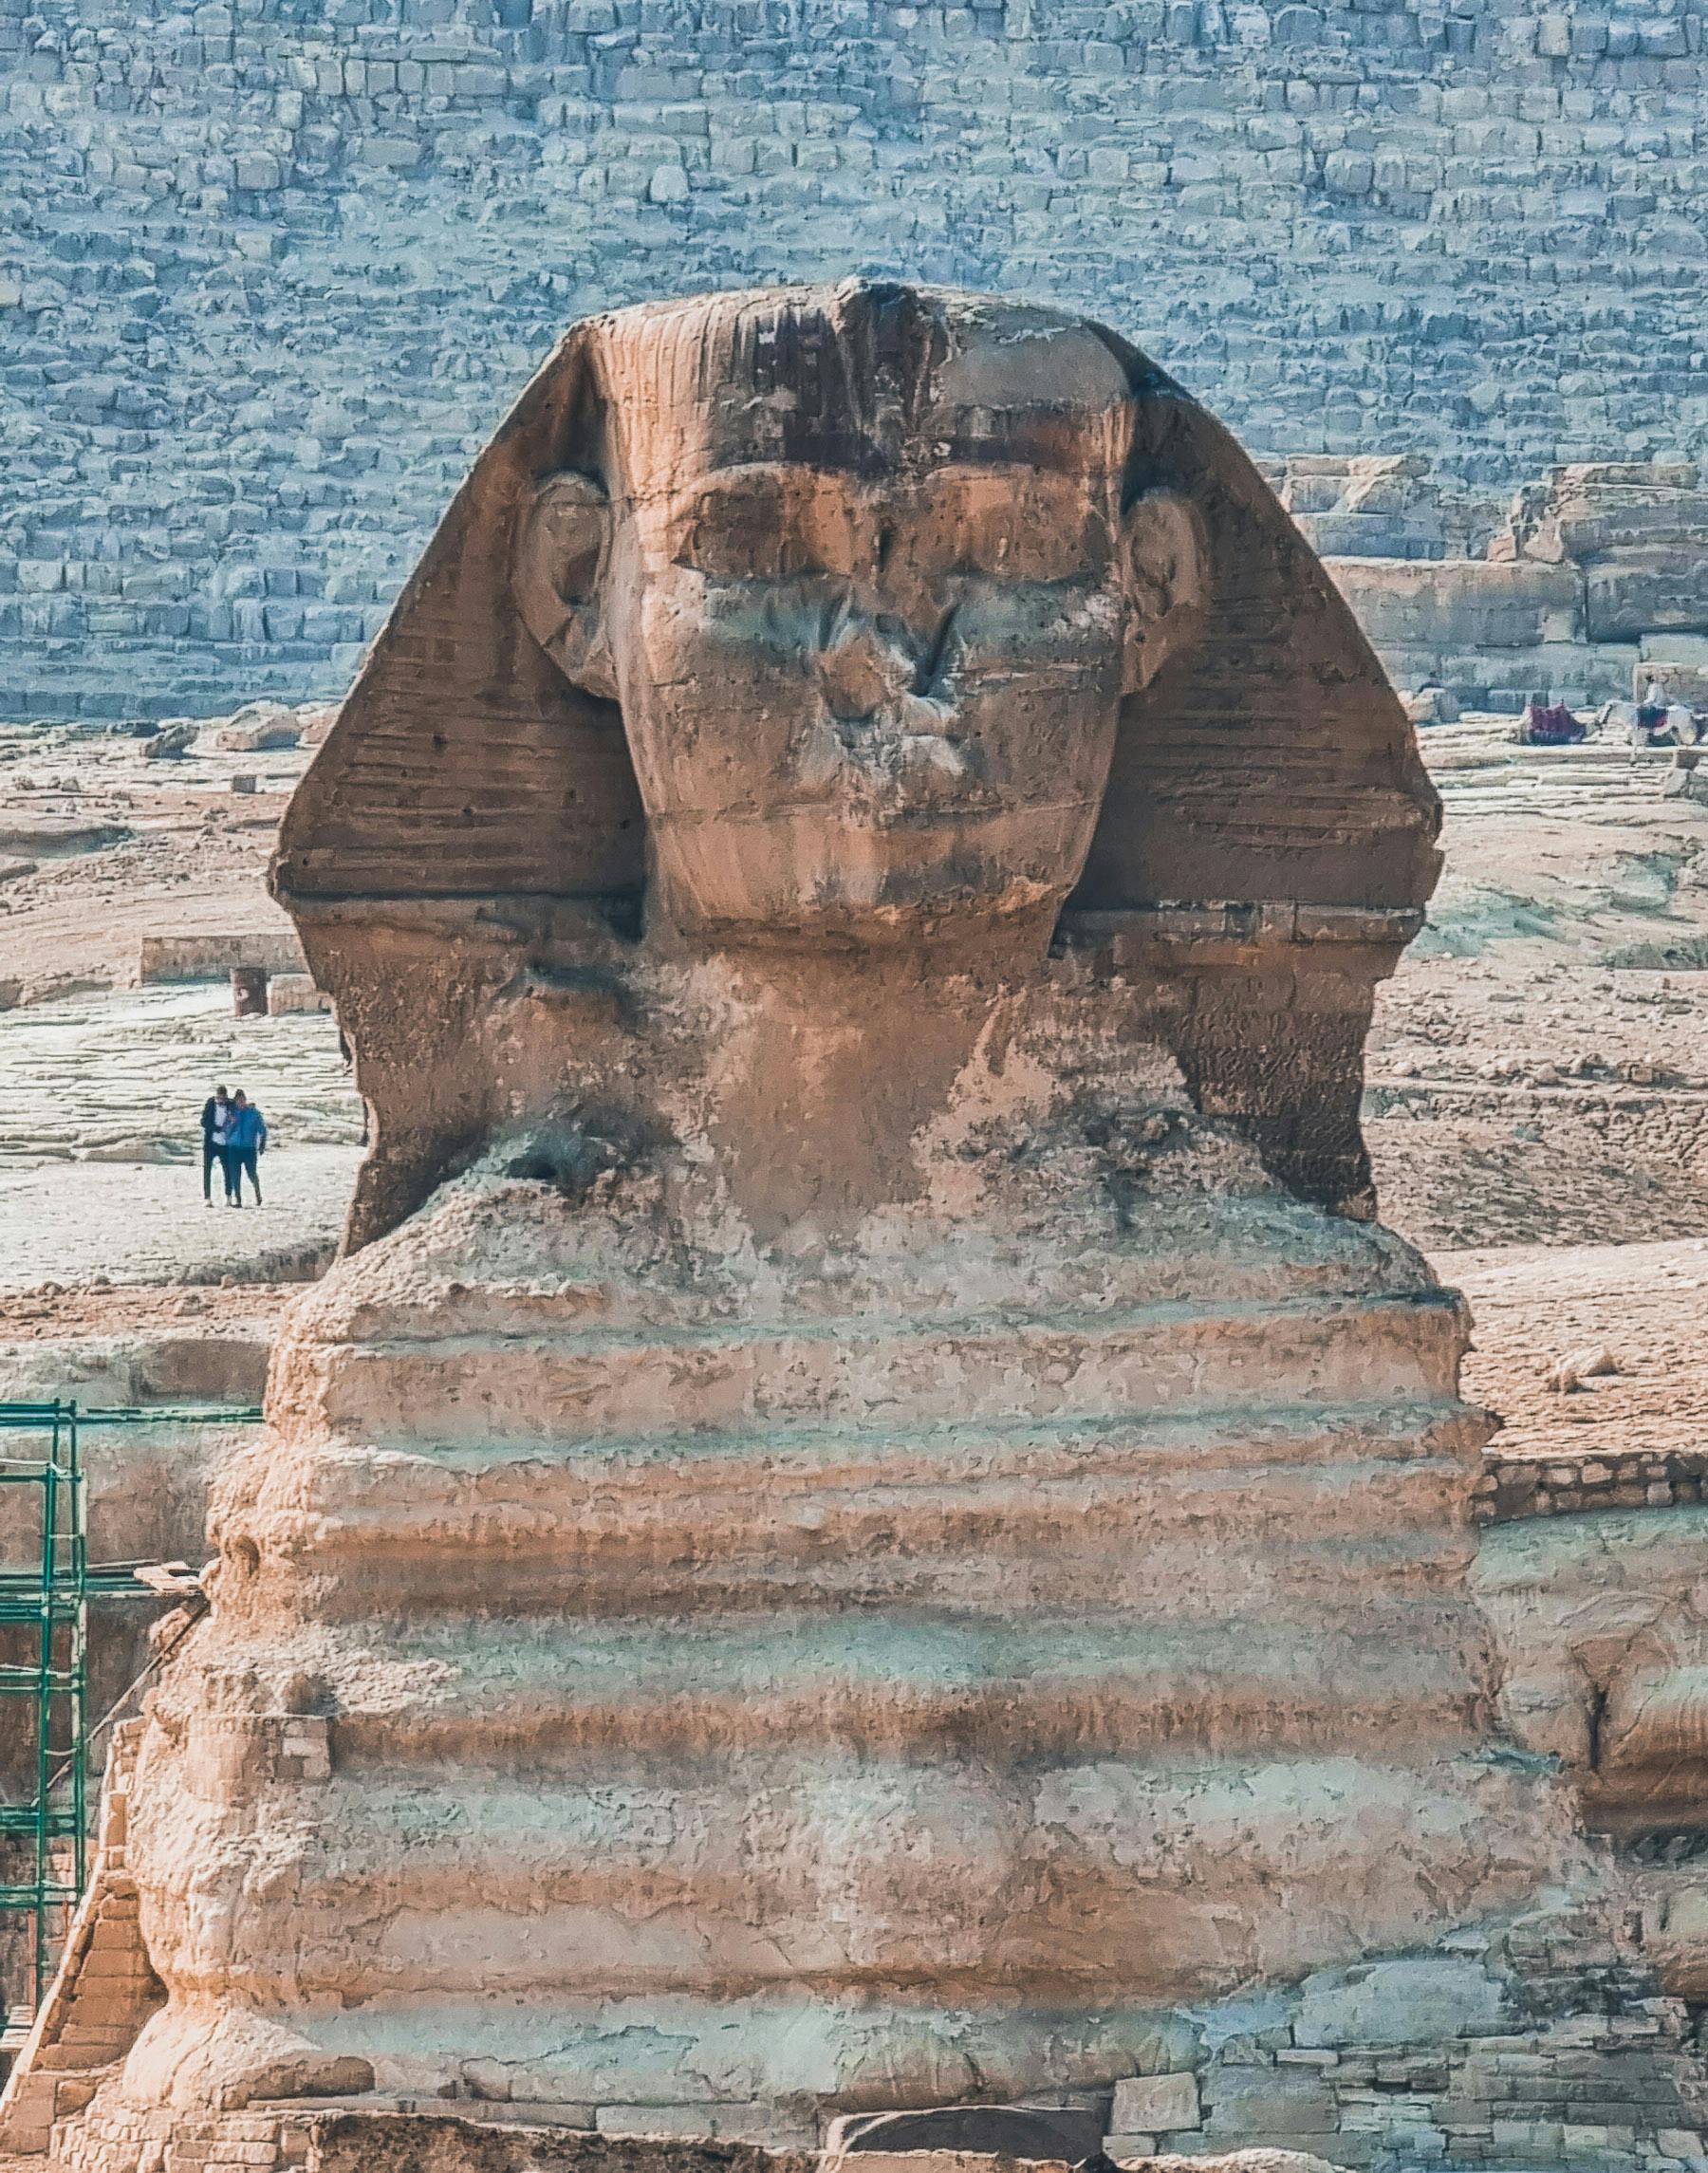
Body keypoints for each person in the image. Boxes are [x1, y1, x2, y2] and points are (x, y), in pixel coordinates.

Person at [223, 1089, 268, 1207]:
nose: (241, 1103)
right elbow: (226, 1131)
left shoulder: (253, 1113)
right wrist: (232, 1123)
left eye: (242, 1100)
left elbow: (262, 1130)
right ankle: (238, 1200)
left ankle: (258, 1195)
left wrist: (262, 1145)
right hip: (234, 1148)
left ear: (245, 1100)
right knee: (235, 1175)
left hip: (249, 1148)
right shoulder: (232, 1113)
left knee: (251, 1173)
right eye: (238, 1101)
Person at [199, 1086, 232, 1206]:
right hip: (210, 1143)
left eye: (223, 1099)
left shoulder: (230, 1105)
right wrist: (217, 1129)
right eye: (219, 1098)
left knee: (228, 1171)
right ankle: (207, 1198)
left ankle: (228, 1197)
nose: (221, 1101)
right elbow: (203, 1121)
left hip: (225, 1144)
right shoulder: (210, 1103)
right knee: (207, 1170)